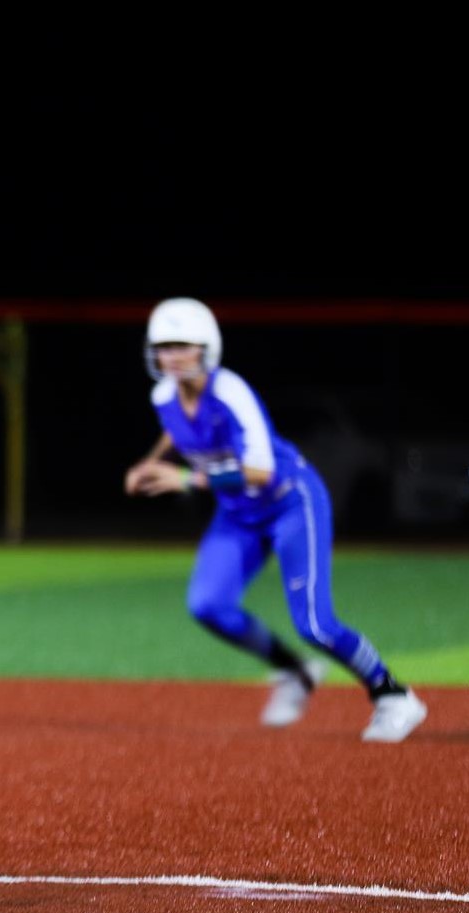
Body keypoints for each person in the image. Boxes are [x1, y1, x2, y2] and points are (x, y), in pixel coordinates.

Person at [123, 297, 425, 742]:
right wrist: (149, 462)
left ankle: (393, 695)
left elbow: (260, 472)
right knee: (207, 605)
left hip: (289, 502)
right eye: (164, 347)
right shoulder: (163, 395)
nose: (172, 355)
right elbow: (178, 426)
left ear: (206, 347)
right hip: (239, 513)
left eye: (183, 345)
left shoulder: (230, 392)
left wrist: (185, 478)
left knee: (315, 625)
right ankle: (296, 671)